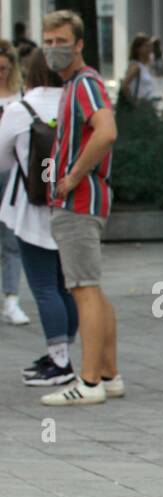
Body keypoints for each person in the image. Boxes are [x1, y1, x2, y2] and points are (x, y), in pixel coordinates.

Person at [40, 9, 122, 408]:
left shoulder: (84, 84)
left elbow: (106, 131)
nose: (53, 48)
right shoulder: (77, 83)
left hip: (79, 201)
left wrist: (71, 177)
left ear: (79, 44)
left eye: (61, 41)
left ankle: (89, 382)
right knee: (92, 288)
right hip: (87, 200)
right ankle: (109, 372)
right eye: (49, 41)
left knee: (83, 289)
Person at [0, 48, 78, 386]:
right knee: (65, 286)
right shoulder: (76, 103)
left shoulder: (21, 109)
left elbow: (1, 160)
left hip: (31, 206)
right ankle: (63, 352)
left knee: (44, 286)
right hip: (71, 203)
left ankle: (60, 361)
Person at [0, 41, 31, 327]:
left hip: (12, 175)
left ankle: (11, 299)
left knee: (11, 237)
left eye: (4, 68)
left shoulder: (21, 95)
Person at [119, 34, 163, 109]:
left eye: (150, 46)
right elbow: (125, 85)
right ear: (138, 49)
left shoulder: (146, 65)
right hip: (139, 107)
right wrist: (133, 103)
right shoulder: (135, 66)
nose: (149, 49)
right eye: (146, 46)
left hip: (148, 105)